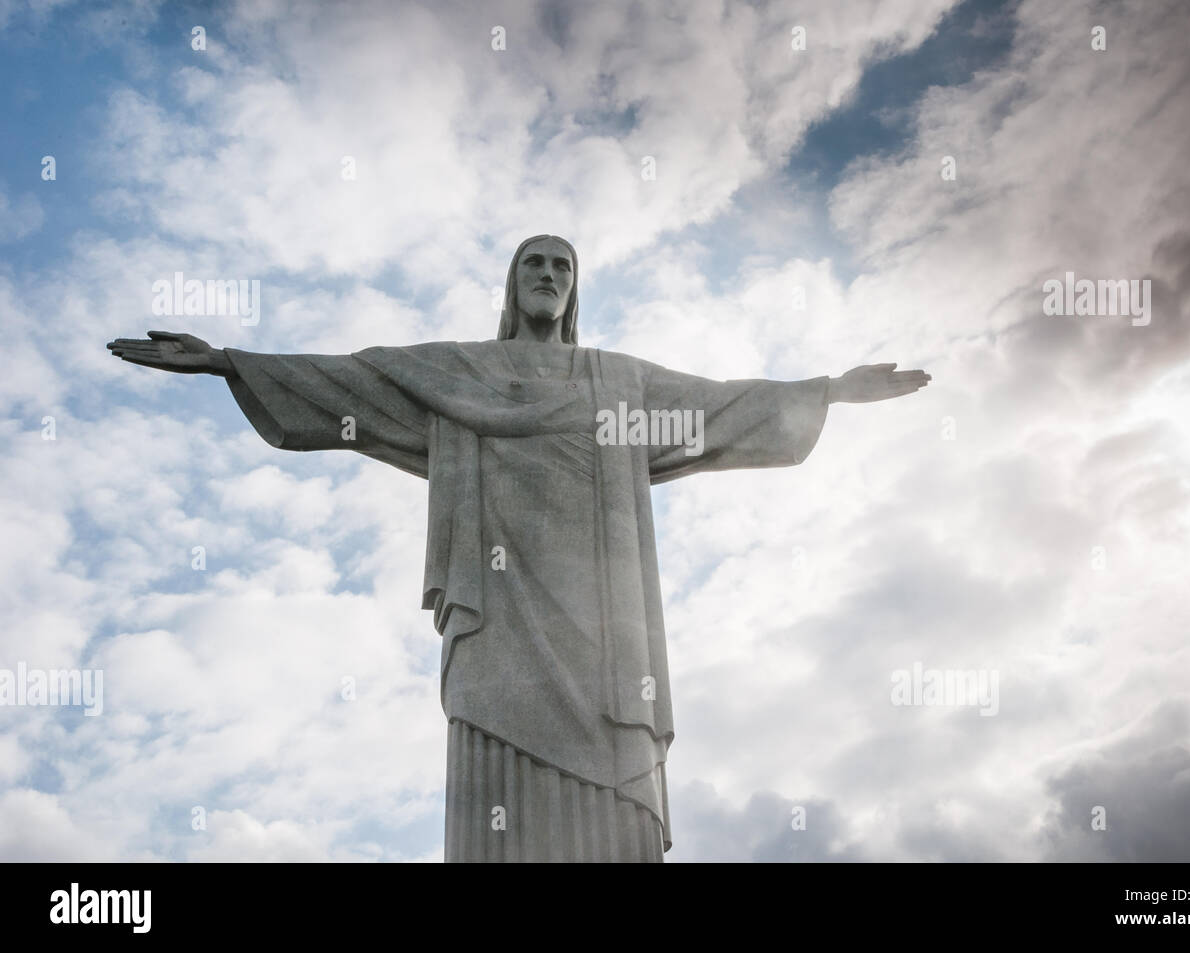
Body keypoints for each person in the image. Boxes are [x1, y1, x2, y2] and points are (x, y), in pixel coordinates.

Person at [108, 234, 930, 862]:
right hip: (498, 624)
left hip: (604, 638)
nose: (546, 273)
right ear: (511, 284)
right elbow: (353, 381)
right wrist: (227, 362)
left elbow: (717, 408)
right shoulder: (459, 374)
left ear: (573, 290)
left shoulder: (619, 385)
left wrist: (828, 391)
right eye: (532, 262)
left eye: (561, 265)